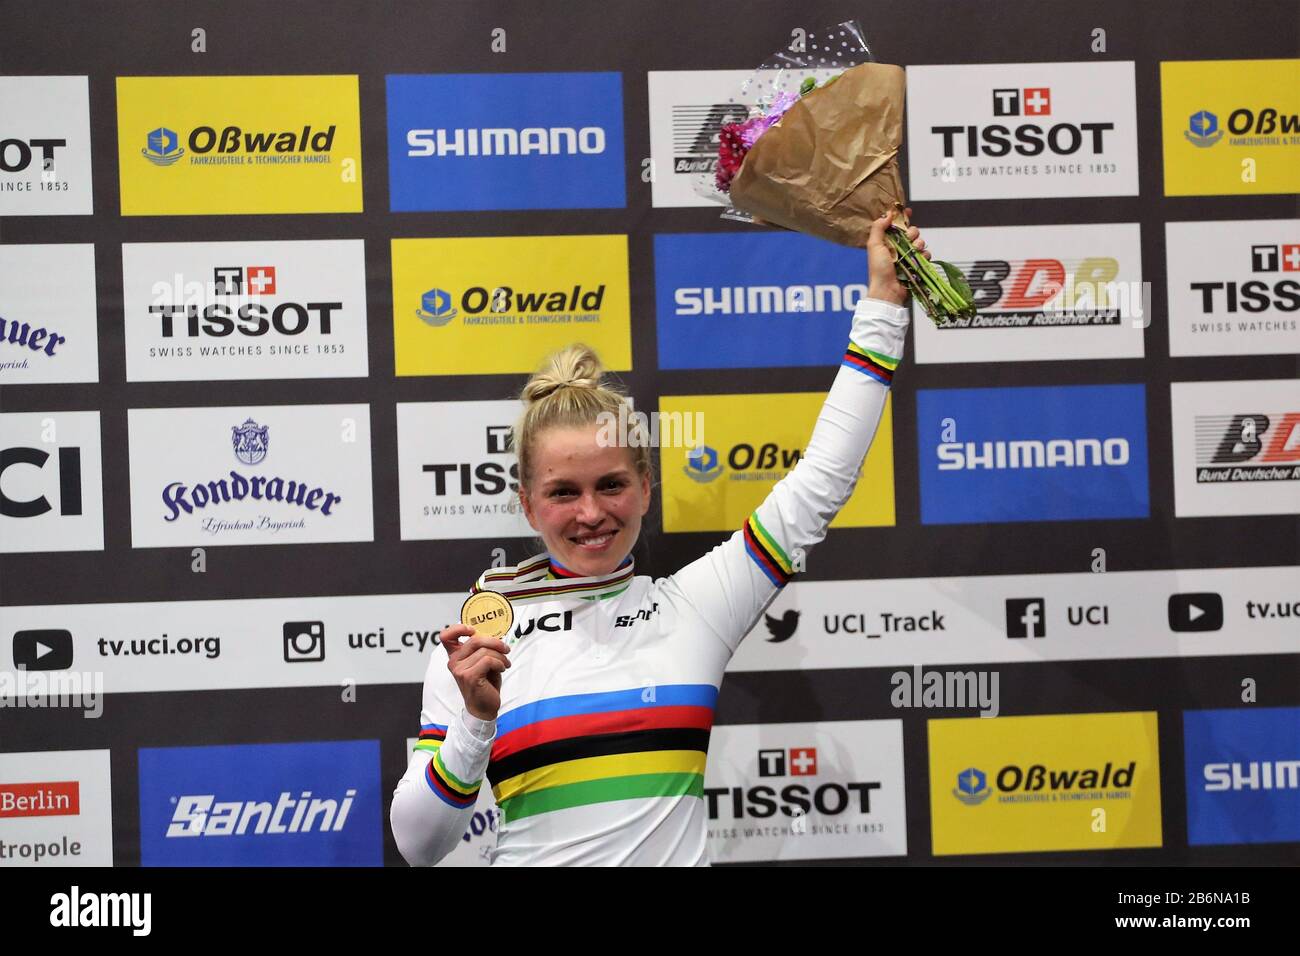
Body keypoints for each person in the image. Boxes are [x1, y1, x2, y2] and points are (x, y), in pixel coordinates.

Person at [390, 209, 927, 866]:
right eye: (564, 492)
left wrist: (884, 306)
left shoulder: (695, 606)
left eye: (611, 485)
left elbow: (823, 480)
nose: (591, 512)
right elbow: (419, 847)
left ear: (646, 486)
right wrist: (475, 724)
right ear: (528, 506)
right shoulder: (482, 645)